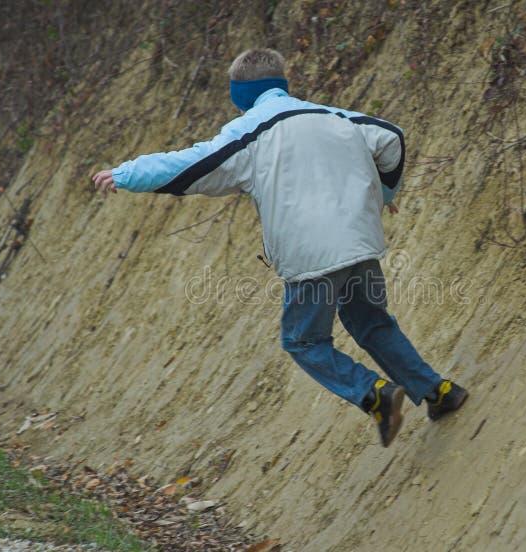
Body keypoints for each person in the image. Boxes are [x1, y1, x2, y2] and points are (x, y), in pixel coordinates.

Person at [92, 48, 467, 447]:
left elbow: (188, 165)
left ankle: (374, 394)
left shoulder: (249, 133)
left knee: (303, 341)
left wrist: (126, 174)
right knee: (371, 323)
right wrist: (386, 190)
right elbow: (391, 137)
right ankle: (439, 392)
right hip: (360, 243)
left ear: (239, 96)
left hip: (312, 257)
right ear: (281, 83)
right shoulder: (334, 116)